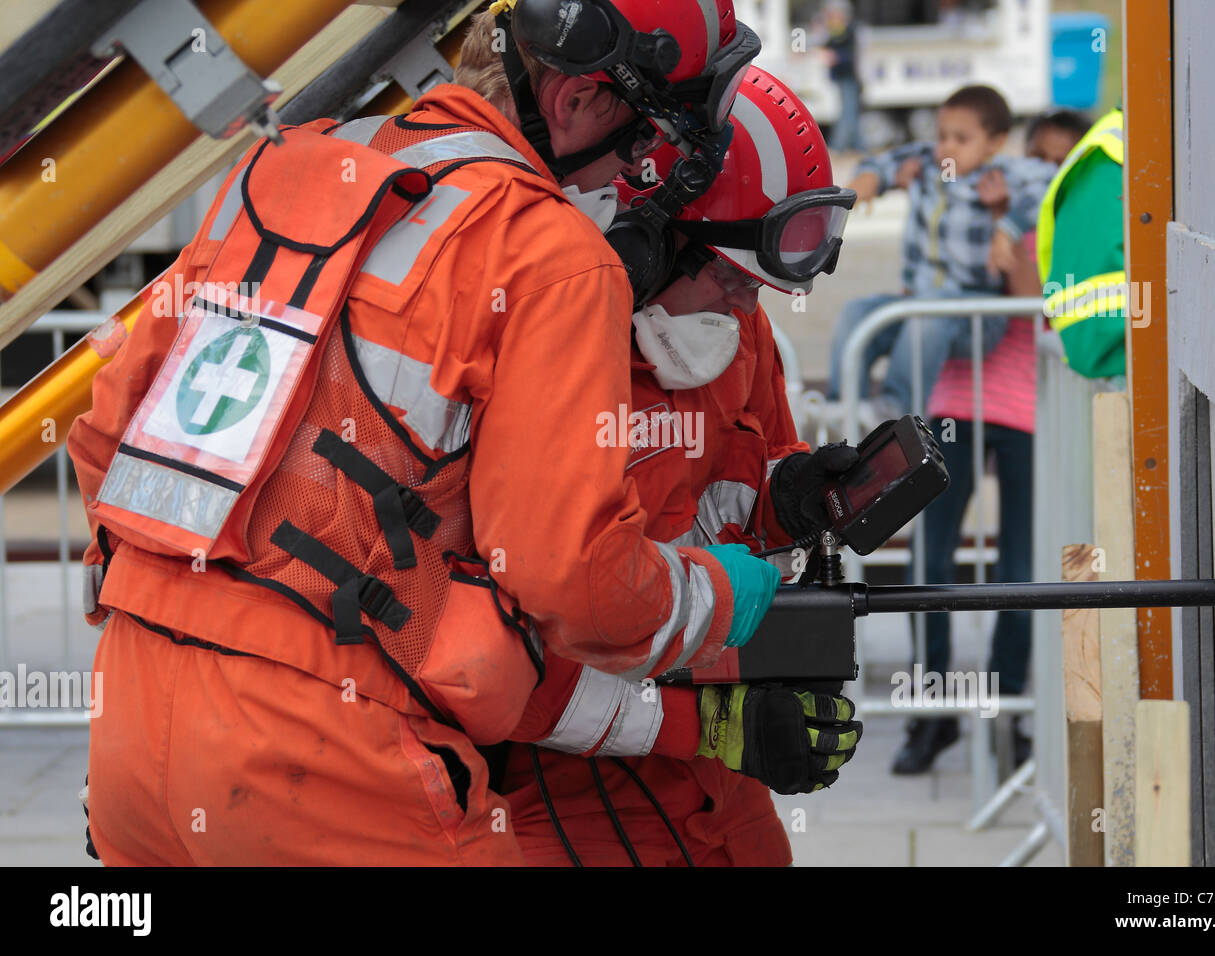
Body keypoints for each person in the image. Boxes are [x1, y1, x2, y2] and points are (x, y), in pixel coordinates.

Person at [67, 0, 777, 865]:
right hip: (324, 759)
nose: (631, 175)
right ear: (580, 102)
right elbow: (572, 581)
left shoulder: (285, 170)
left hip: (133, 736)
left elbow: (105, 434)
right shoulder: (549, 254)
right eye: (640, 143)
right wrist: (718, 595)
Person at [500, 66, 863, 866]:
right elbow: (500, 663)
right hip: (571, 797)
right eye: (732, 279)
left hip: (721, 789)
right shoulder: (532, 366)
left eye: (759, 291)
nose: (744, 311)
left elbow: (739, 495)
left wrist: (792, 499)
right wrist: (715, 728)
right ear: (642, 245)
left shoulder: (738, 334)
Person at [890, 112, 1088, 774]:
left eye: (1065, 164)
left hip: (1030, 408)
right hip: (958, 399)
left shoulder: (1055, 221)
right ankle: (931, 711)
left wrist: (1022, 229)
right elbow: (916, 168)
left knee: (1020, 568)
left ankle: (1007, 711)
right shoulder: (972, 198)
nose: (1048, 173)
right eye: (1042, 160)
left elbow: (1042, 305)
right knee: (932, 557)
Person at [827, 84, 1056, 427]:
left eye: (961, 140)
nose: (947, 146)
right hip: (919, 304)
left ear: (994, 143)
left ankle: (896, 406)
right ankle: (843, 405)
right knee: (857, 313)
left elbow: (1049, 181)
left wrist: (1007, 226)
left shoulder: (1002, 175)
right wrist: (870, 177)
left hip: (974, 315)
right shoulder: (925, 165)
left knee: (930, 313)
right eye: (942, 136)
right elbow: (881, 161)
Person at [1036, 107, 1126, 379]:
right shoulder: (1106, 154)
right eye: (1038, 158)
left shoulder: (1106, 150)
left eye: (1057, 160)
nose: (1045, 169)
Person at [821, 0, 863, 154]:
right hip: (842, 76)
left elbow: (850, 54)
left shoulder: (849, 31)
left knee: (848, 113)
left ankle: (838, 146)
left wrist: (836, 56)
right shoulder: (838, 30)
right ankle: (861, 147)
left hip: (849, 76)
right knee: (851, 112)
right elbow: (826, 45)